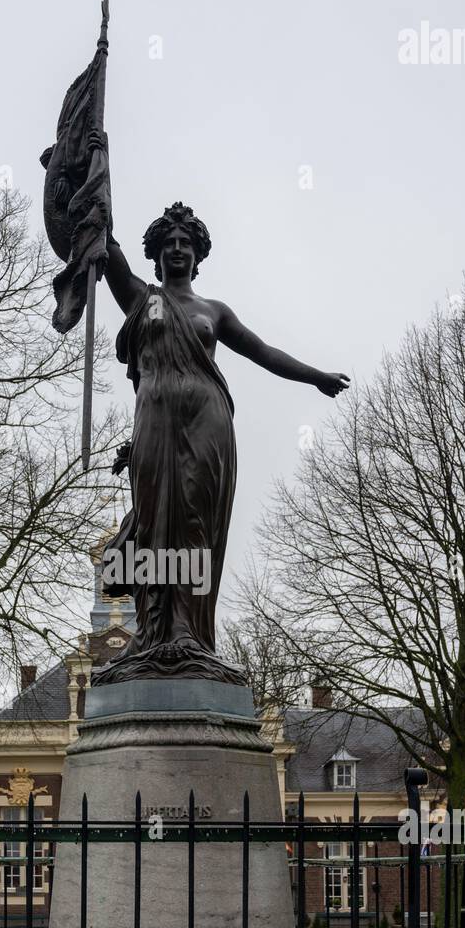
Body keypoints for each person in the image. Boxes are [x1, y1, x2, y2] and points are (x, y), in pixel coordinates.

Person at [93, 186, 349, 686]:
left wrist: (314, 375)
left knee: (194, 523)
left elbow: (262, 350)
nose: (178, 249)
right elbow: (106, 244)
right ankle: (152, 632)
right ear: (156, 251)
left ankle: (187, 630)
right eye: (169, 241)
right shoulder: (142, 300)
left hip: (208, 426)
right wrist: (88, 175)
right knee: (152, 523)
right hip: (154, 424)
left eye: (187, 241)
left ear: (199, 253)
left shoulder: (215, 310)